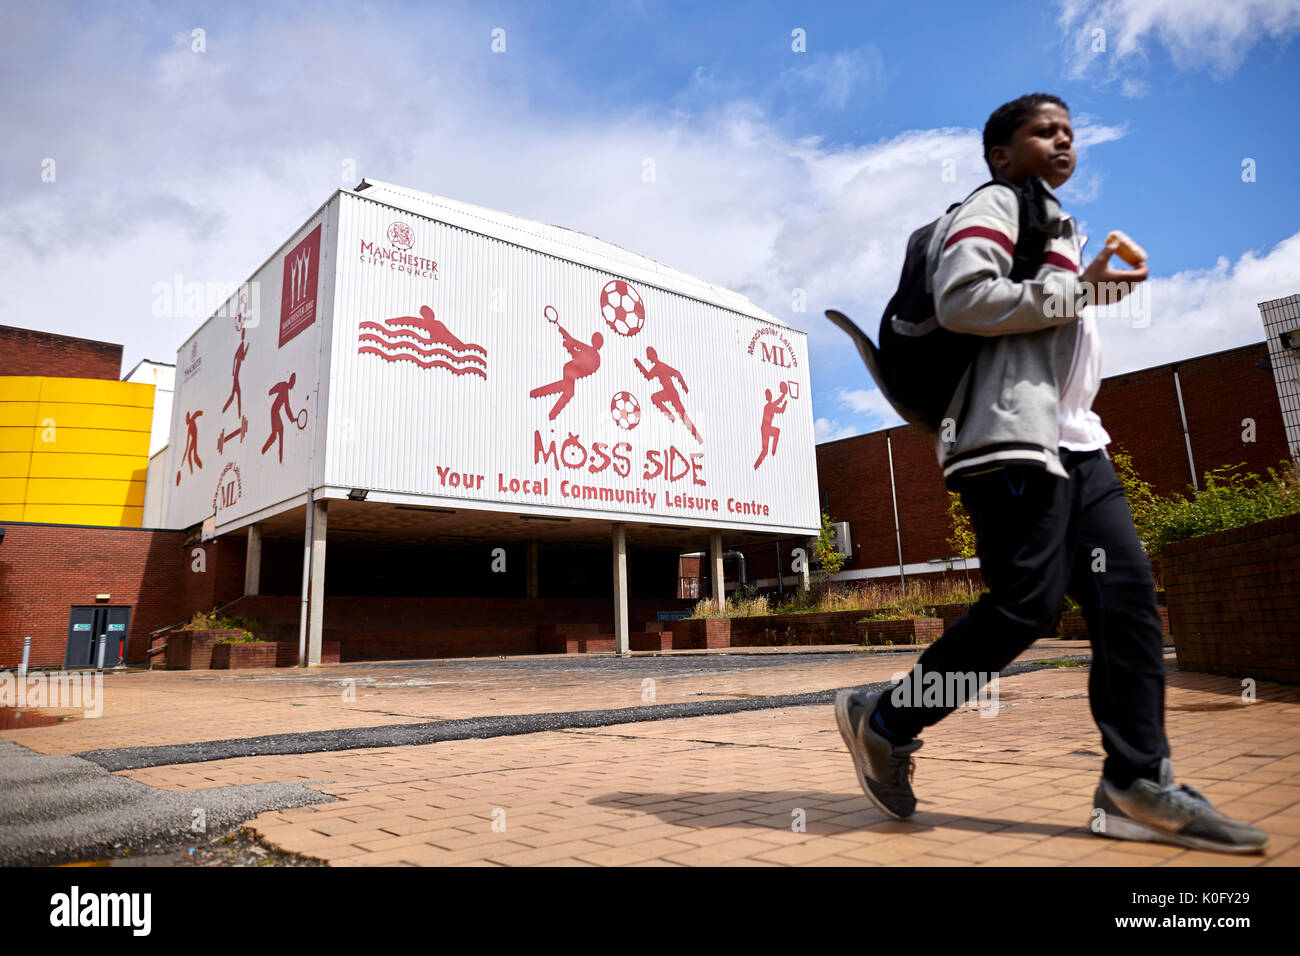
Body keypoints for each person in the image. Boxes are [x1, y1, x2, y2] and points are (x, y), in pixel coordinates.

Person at [834, 93, 1269, 854]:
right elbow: (964, 298)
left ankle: (1135, 783)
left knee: (1127, 599)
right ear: (1001, 152)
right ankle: (887, 719)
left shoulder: (1057, 224)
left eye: (1070, 130)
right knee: (1024, 607)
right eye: (1043, 130)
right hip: (1007, 444)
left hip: (1079, 445)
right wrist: (1082, 290)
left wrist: (1085, 282)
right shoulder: (996, 202)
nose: (1062, 139)